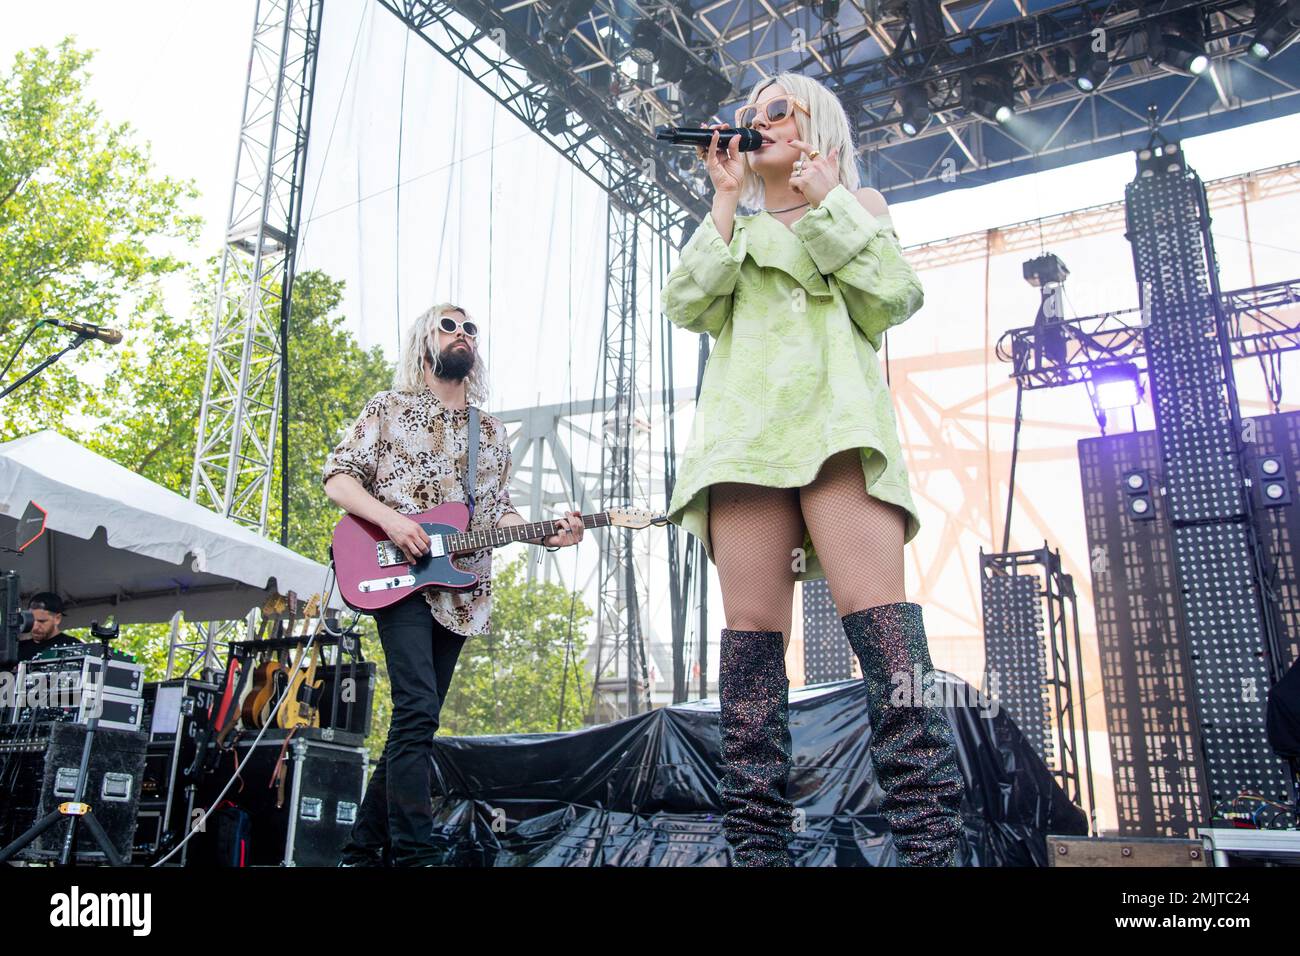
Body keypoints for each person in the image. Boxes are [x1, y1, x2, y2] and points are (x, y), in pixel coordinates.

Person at [662, 72, 966, 866]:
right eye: (746, 114)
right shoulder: (736, 228)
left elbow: (892, 299)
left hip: (837, 431)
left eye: (773, 111)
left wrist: (828, 201)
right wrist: (725, 202)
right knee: (752, 646)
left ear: (813, 130)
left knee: (891, 637)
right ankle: (756, 852)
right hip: (746, 441)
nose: (750, 122)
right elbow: (687, 306)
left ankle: (933, 845)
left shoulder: (857, 209)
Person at [322, 302, 585, 867]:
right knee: (416, 710)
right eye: (449, 325)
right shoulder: (389, 408)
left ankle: (361, 850)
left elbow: (496, 514)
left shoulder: (489, 430)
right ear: (426, 342)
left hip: (461, 589)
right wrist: (394, 521)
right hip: (395, 573)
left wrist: (545, 533)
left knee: (417, 720)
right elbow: (339, 478)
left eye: (470, 328)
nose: (461, 333)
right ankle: (415, 854)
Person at [16, 592, 83, 664]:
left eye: (42, 621)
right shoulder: (18, 648)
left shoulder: (74, 646)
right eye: (31, 620)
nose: (35, 627)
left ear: (57, 619)